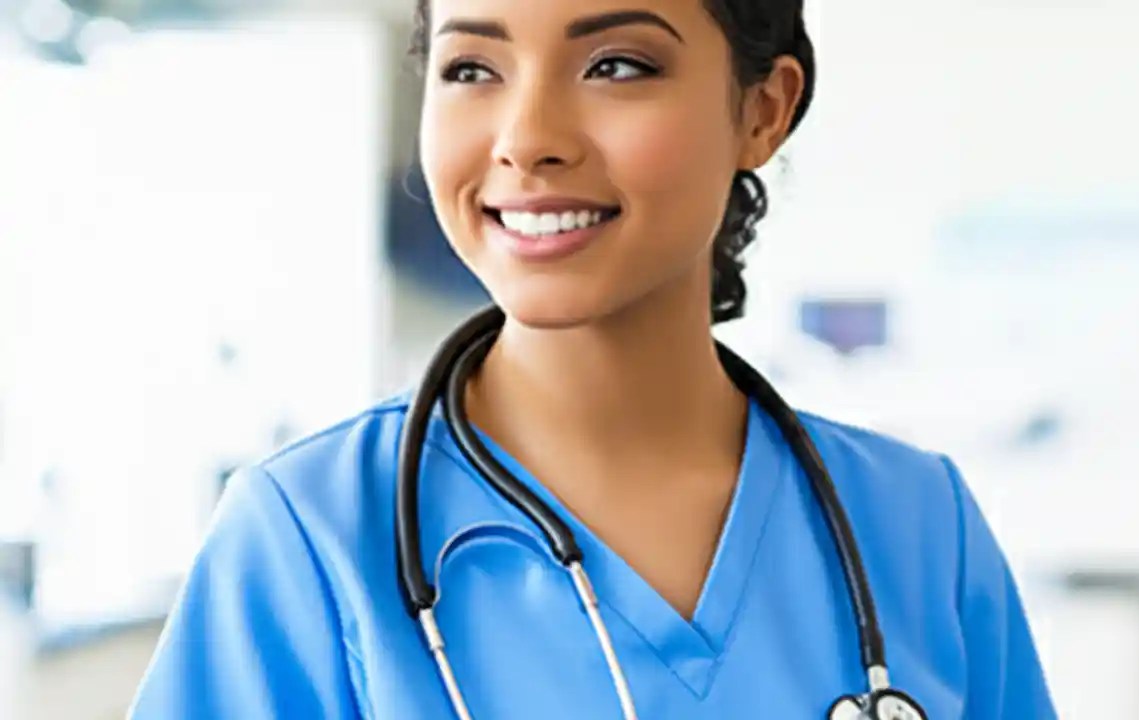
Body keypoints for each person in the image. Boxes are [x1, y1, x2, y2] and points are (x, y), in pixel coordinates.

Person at [130, 0, 1058, 717]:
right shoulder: (309, 535)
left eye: (617, 65)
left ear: (763, 111)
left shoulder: (918, 524)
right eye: (471, 68)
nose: (528, 138)